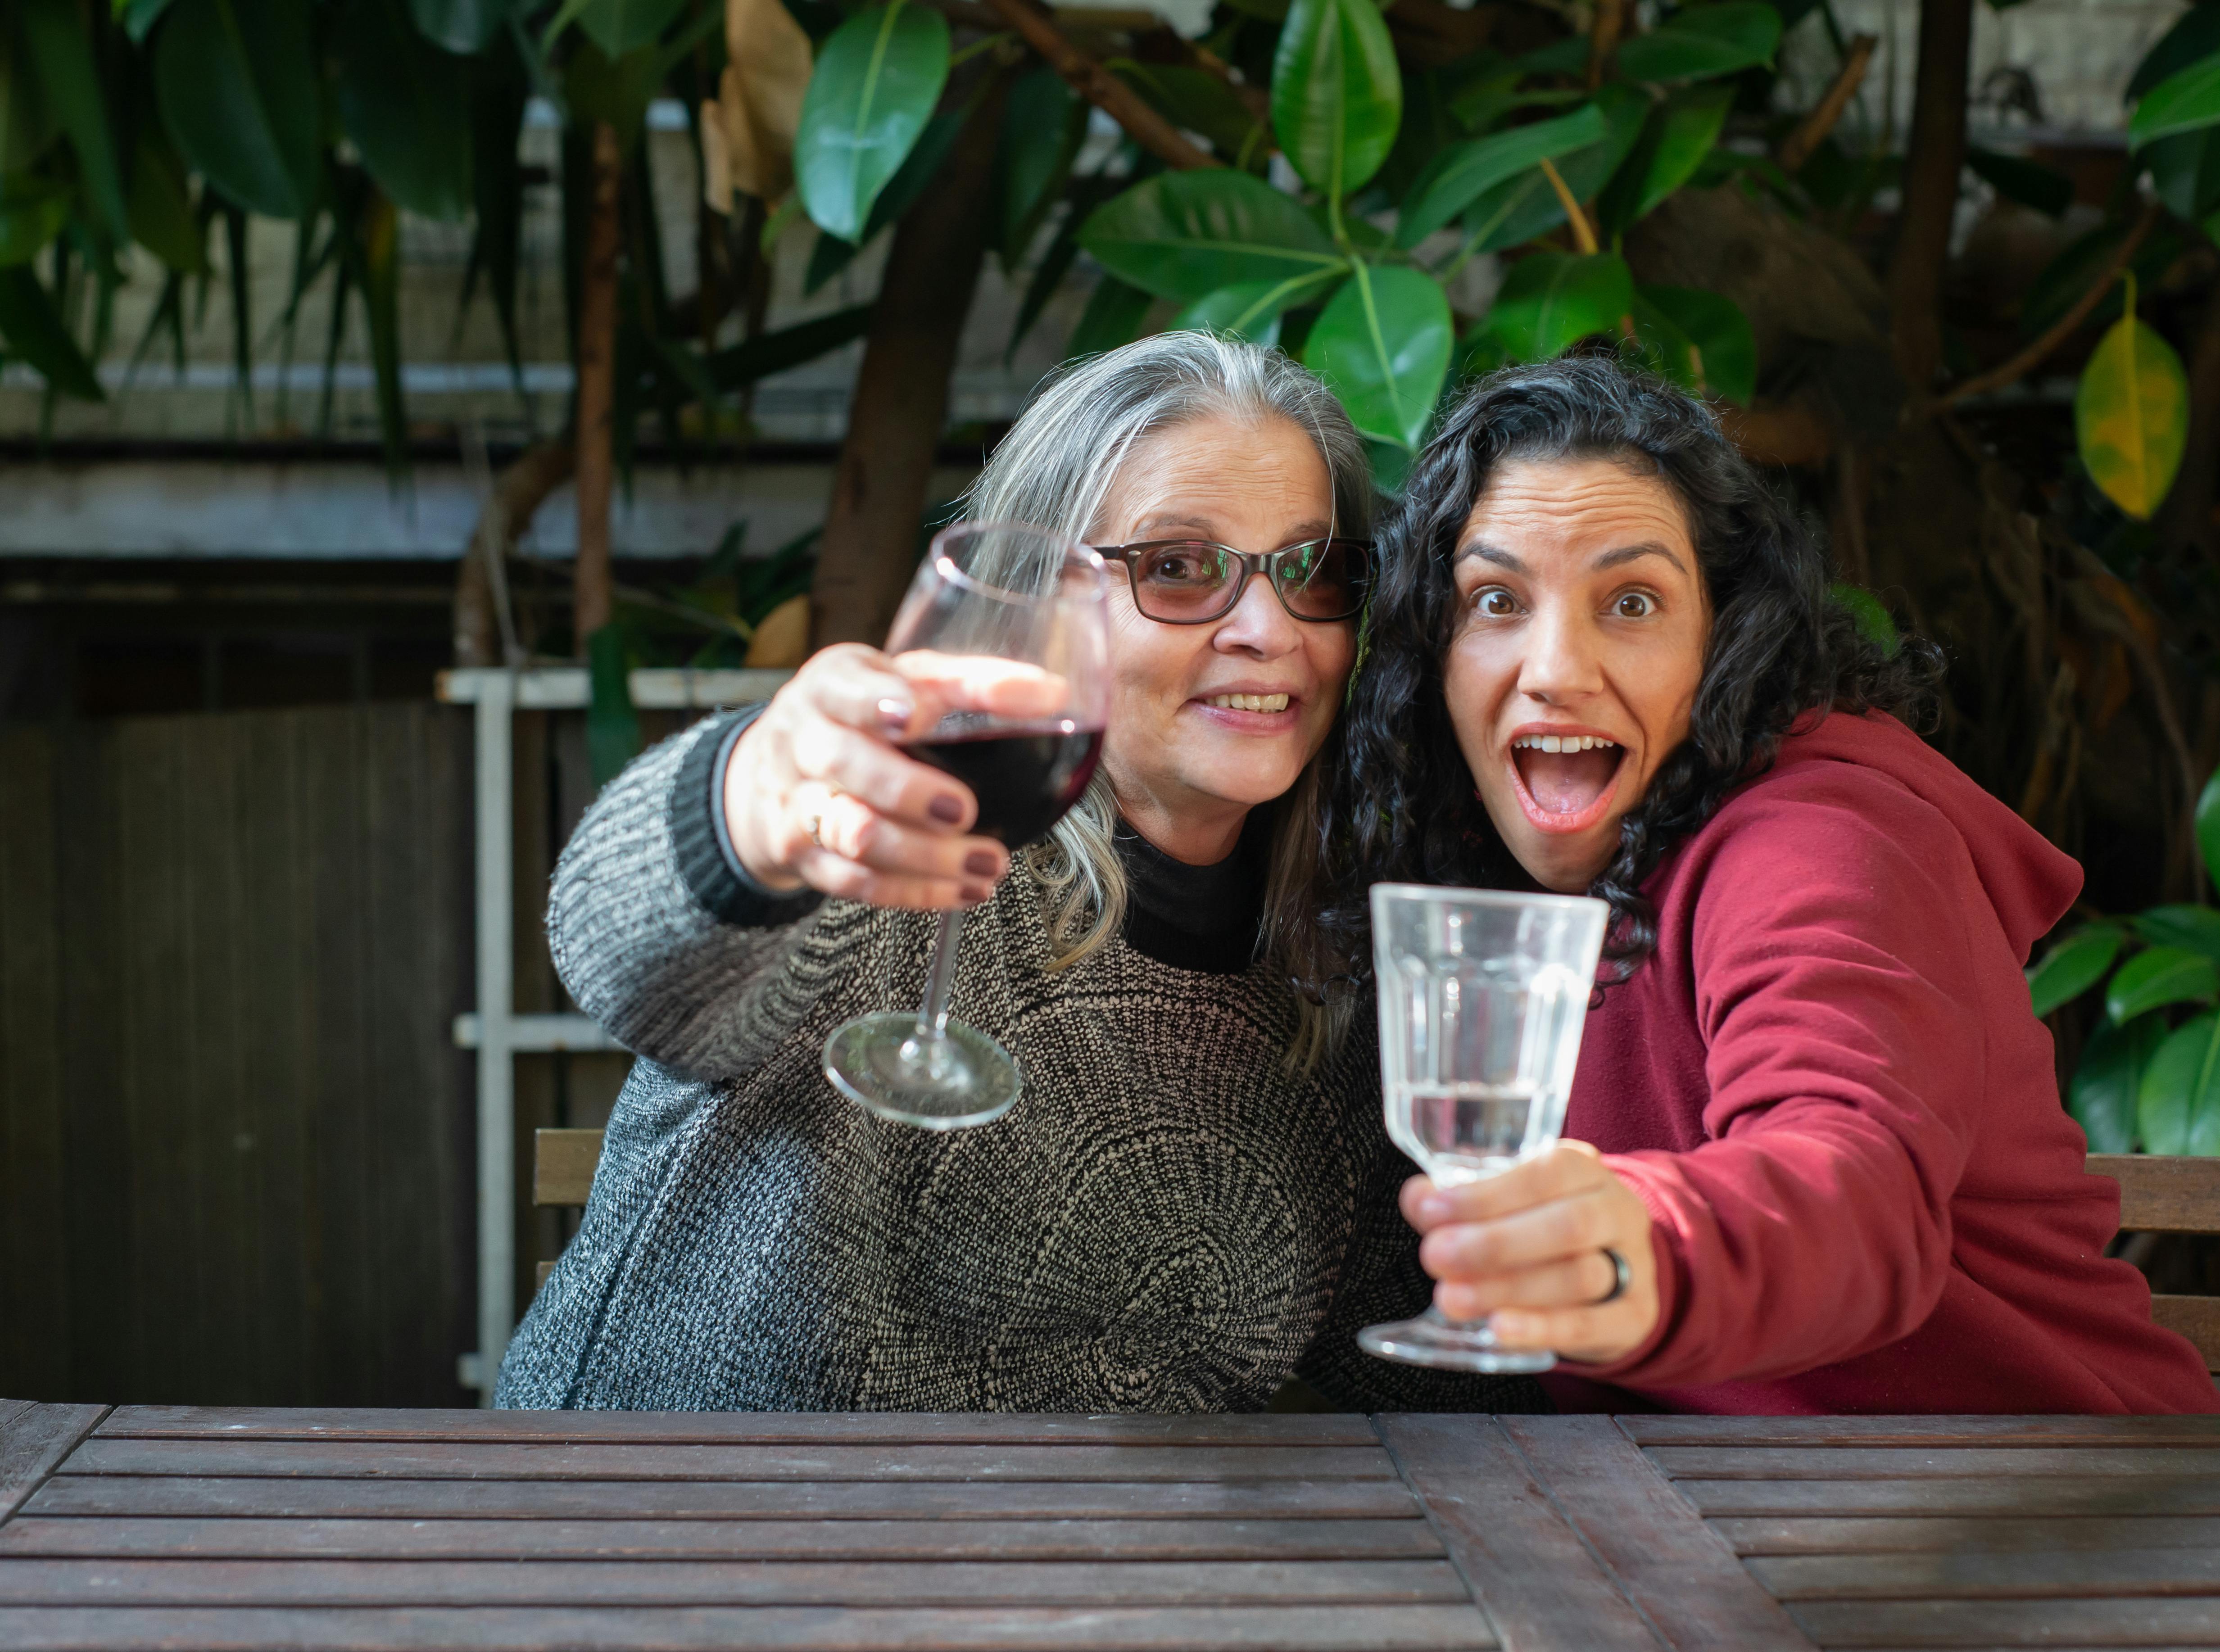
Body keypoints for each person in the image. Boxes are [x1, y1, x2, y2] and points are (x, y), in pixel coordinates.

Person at [496, 333, 1527, 1412]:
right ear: (1039, 604)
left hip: (1078, 1533)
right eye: (1179, 567)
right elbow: (623, 950)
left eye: (1312, 571)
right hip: (663, 1506)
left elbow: (1420, 1365)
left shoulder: (1340, 970)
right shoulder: (901, 844)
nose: (1270, 631)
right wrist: (749, 804)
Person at [1330, 354, 2220, 1414]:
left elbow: (1849, 1171)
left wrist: (1644, 1245)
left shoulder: (1822, 840)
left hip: (2045, 1492)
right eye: (1495, 599)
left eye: (1631, 601)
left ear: (1724, 637)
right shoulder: (1483, 864)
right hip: (1714, 1503)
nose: (1557, 668)